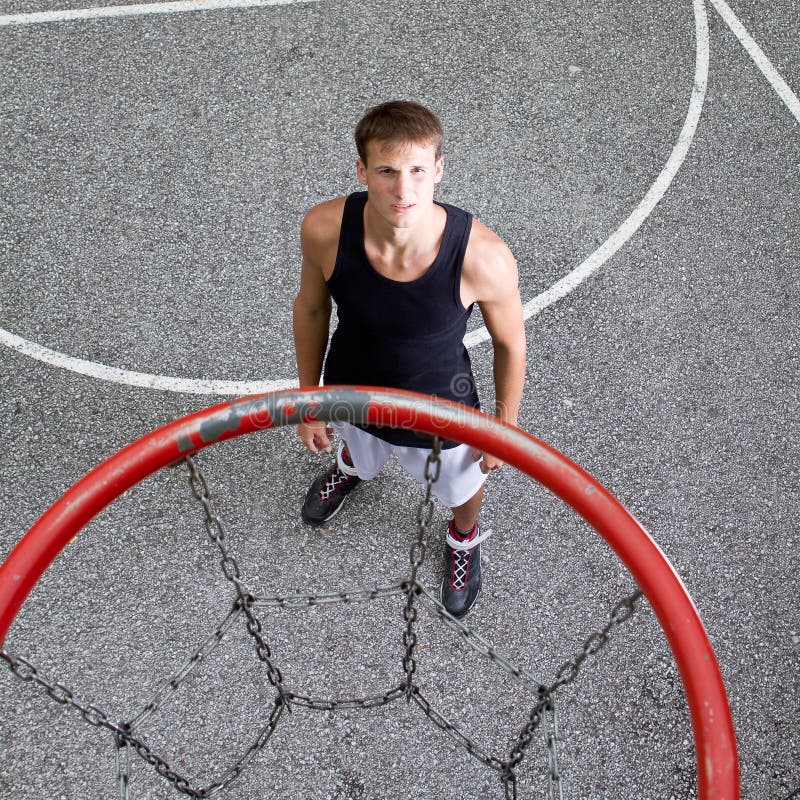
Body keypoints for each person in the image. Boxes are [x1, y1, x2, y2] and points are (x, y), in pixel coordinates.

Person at [292, 100, 525, 618]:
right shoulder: (325, 229)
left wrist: (505, 424)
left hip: (441, 406)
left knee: (462, 486)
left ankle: (463, 539)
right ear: (362, 171)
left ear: (439, 169)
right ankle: (352, 466)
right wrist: (310, 398)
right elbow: (311, 309)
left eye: (418, 170)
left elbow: (510, 342)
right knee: (358, 448)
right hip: (353, 386)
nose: (404, 190)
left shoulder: (482, 256)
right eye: (387, 171)